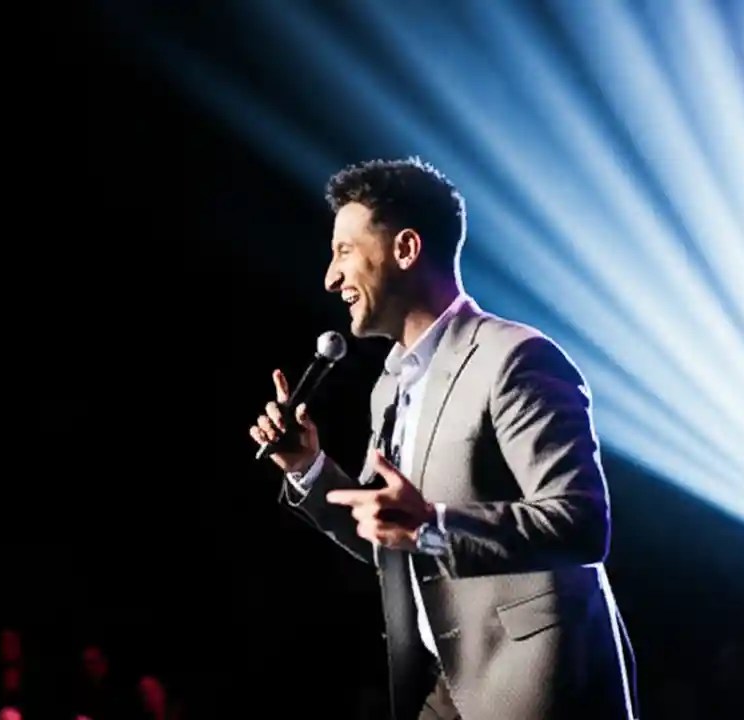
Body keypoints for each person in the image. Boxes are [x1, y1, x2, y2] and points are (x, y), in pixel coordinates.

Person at [249, 157, 638, 720]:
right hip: (440, 690)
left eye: (344, 251)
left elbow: (582, 524)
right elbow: (390, 540)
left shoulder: (514, 357)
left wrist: (433, 526)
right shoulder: (389, 386)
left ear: (405, 250)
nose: (330, 278)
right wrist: (307, 466)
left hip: (531, 691)